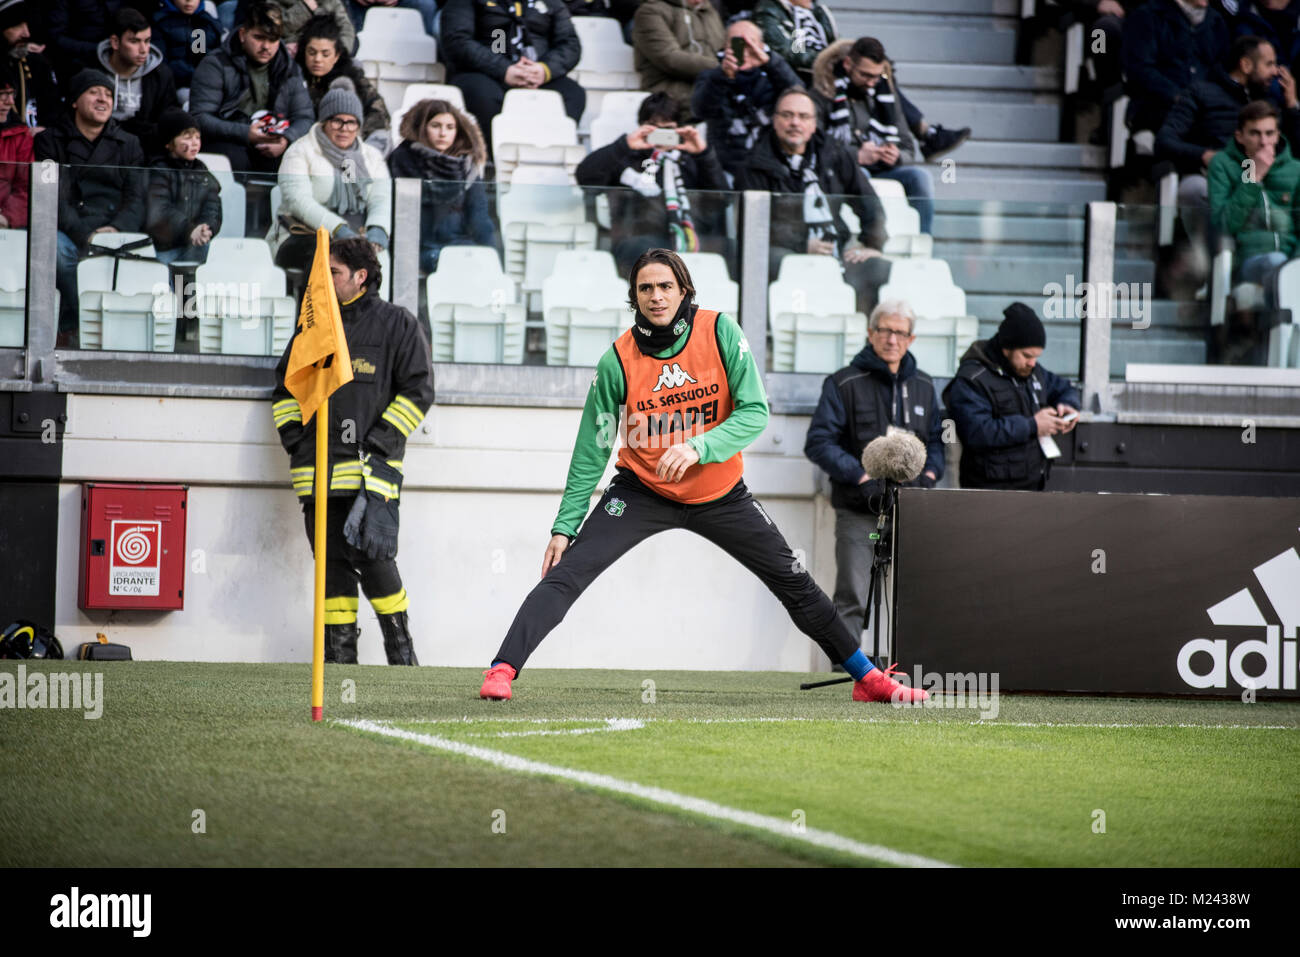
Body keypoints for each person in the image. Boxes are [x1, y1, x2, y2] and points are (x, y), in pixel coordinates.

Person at [477, 248, 929, 704]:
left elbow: (755, 412)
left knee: (794, 580)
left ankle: (869, 680)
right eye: (646, 288)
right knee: (567, 569)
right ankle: (502, 670)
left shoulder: (720, 331)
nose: (656, 296)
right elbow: (591, 451)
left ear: (684, 290)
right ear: (634, 297)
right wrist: (564, 526)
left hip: (722, 493)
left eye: (665, 286)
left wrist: (699, 447)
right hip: (642, 491)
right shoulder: (617, 360)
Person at [271, 237, 434, 665]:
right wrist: (297, 441)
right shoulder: (313, 328)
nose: (324, 279)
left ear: (361, 277)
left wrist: (378, 444)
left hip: (368, 478)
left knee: (378, 566)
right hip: (315, 479)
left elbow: (418, 392)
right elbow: (285, 393)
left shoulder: (397, 325)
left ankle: (403, 659)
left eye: (335, 272)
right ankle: (340, 664)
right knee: (331, 574)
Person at [803, 299, 943, 651]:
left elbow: (938, 443)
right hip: (858, 510)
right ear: (870, 333)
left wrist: (928, 476)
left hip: (912, 511)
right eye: (884, 330)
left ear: (911, 339)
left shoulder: (925, 386)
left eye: (900, 332)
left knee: (914, 593)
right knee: (852, 594)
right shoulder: (843, 382)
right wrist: (861, 477)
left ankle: (909, 667)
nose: (892, 339)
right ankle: (850, 672)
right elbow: (819, 442)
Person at [733, 86, 888, 315]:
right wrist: (802, 244)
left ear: (813, 124)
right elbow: (752, 227)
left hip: (837, 251)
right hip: (785, 252)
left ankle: (865, 341)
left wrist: (871, 244)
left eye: (803, 116)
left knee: (881, 269)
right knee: (780, 262)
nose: (795, 122)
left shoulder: (834, 153)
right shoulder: (754, 164)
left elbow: (868, 202)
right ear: (775, 121)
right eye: (787, 115)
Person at [34, 69, 146, 347]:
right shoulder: (50, 141)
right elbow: (55, 200)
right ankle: (79, 322)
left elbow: (137, 198)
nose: (103, 99)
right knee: (57, 252)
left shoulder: (129, 144)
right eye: (94, 92)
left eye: (109, 94)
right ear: (74, 101)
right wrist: (87, 235)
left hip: (115, 229)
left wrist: (115, 229)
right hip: (71, 229)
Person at [575, 91, 728, 273]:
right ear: (641, 126)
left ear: (679, 128)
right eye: (653, 128)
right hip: (638, 240)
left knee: (725, 249)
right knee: (650, 251)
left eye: (667, 129)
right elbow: (585, 176)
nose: (660, 135)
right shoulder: (626, 156)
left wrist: (704, 155)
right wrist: (624, 145)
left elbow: (722, 200)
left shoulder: (692, 160)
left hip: (689, 238)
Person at [942, 302, 1081, 491]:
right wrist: (1033, 425)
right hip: (988, 491)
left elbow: (1064, 387)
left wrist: (1068, 405)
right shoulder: (972, 379)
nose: (1032, 363)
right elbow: (978, 432)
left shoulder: (1031, 370)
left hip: (1032, 484)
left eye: (1037, 357)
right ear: (1007, 348)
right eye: (1026, 355)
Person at [811, 36, 934, 235]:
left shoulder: (885, 93)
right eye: (865, 75)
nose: (871, 83)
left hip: (883, 167)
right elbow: (816, 144)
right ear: (848, 64)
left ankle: (923, 243)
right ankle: (869, 237)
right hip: (842, 172)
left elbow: (908, 146)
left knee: (919, 177)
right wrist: (855, 156)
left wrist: (897, 155)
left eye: (877, 76)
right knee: (862, 176)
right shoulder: (823, 94)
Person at [268, 79, 391, 272]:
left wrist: (377, 228)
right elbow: (298, 202)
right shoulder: (300, 151)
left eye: (351, 122)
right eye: (337, 121)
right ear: (324, 121)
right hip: (303, 235)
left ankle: (366, 303)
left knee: (374, 256)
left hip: (356, 235)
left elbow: (380, 198)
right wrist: (338, 230)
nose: (344, 128)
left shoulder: (369, 156)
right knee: (329, 254)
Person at [189, 1, 315, 173]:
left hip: (274, 141)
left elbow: (305, 117)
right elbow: (200, 117)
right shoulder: (215, 64)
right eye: (259, 37)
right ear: (242, 34)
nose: (266, 46)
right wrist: (245, 133)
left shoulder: (289, 67)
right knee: (236, 159)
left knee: (292, 161)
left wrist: (286, 139)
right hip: (228, 141)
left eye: (273, 40)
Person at [440, 0, 586, 147]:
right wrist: (504, 70)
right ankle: (497, 159)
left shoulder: (552, 3)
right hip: (483, 72)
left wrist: (544, 69)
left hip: (535, 74)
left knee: (572, 94)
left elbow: (570, 44)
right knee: (483, 95)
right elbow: (457, 41)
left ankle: (546, 156)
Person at [387, 97, 496, 272]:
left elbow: (479, 217)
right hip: (419, 248)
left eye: (450, 127)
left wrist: (492, 256)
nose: (443, 133)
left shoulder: (467, 165)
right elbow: (403, 218)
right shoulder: (404, 159)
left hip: (460, 246)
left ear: (458, 131)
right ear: (423, 127)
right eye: (435, 126)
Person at [690, 15, 801, 180]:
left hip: (770, 165)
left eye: (751, 44)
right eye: (737, 44)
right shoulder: (711, 77)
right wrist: (723, 75)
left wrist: (770, 63)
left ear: (762, 46)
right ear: (725, 47)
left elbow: (798, 96)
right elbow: (701, 110)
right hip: (727, 165)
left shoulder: (774, 76)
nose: (744, 50)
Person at [1208, 99, 1300, 294]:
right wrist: (1253, 176)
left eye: (1269, 133)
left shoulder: (1296, 169)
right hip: (1247, 260)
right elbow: (1224, 224)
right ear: (1240, 136)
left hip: (1291, 258)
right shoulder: (1222, 165)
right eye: (1255, 133)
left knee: (1286, 268)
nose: (1264, 142)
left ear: (1278, 135)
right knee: (1277, 264)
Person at [1122, 0, 1230, 138]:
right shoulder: (1148, 15)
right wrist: (1177, 96)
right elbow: (1139, 70)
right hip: (1157, 105)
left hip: (1204, 108)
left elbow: (1221, 71)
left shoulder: (1216, 21)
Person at [295, 15, 390, 153]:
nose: (317, 59)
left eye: (325, 54)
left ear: (336, 55)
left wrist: (354, 135)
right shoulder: (293, 76)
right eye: (312, 52)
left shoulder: (352, 79)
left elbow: (379, 113)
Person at [95, 7, 181, 157]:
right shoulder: (93, 72)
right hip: (99, 146)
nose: (143, 50)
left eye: (147, 41)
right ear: (115, 42)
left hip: (145, 149)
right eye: (134, 41)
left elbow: (167, 120)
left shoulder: (161, 75)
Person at [146, 108, 222, 264]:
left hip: (192, 244)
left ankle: (184, 288)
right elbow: (160, 210)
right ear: (168, 143)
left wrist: (205, 229)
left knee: (189, 284)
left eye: (197, 137)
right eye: (187, 137)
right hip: (161, 249)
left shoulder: (202, 171)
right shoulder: (158, 170)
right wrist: (189, 230)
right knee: (166, 286)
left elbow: (213, 206)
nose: (194, 143)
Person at [632, 0, 726, 108]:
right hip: (669, 96)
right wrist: (722, 68)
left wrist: (740, 32)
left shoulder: (709, 11)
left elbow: (725, 50)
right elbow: (670, 59)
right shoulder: (650, 11)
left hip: (711, 87)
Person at [0, 0, 60, 131]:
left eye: (26, 25)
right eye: (17, 26)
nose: (26, 34)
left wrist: (44, 131)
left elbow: (52, 109)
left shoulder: (35, 62)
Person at [752, 0, 836, 86]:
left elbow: (833, 43)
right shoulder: (769, 9)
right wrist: (827, 60)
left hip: (826, 74)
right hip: (796, 78)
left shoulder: (818, 11)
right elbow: (787, 51)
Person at [152, 0, 223, 95]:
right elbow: (160, 63)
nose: (189, 1)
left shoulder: (208, 23)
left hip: (207, 84)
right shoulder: (160, 23)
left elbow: (209, 57)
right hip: (174, 87)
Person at [0, 75, 32, 229]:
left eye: (11, 94)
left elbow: (26, 188)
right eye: (2, 95)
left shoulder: (20, 135)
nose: (10, 102)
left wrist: (7, 217)